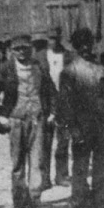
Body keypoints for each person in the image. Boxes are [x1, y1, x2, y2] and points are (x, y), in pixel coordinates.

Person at [0, 34, 57, 208]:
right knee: (18, 164)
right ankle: (19, 202)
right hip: (16, 121)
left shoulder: (39, 67)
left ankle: (34, 199)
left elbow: (52, 91)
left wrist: (53, 112)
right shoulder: (6, 69)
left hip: (37, 120)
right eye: (17, 49)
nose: (22, 52)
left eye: (25, 48)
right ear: (12, 51)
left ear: (31, 49)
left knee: (37, 162)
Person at [57, 28, 104, 208]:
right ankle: (80, 201)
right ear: (76, 47)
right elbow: (65, 104)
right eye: (81, 45)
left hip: (102, 126)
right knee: (81, 166)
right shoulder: (69, 71)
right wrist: (72, 128)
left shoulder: (101, 70)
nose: (85, 48)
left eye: (88, 44)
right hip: (81, 126)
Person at [36, 27, 73, 189]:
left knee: (63, 142)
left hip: (65, 105)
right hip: (45, 106)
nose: (53, 42)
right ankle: (44, 179)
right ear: (47, 39)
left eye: (56, 39)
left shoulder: (69, 56)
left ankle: (61, 176)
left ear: (60, 39)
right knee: (45, 143)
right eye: (51, 39)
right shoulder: (39, 57)